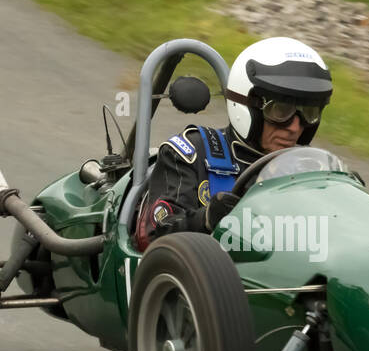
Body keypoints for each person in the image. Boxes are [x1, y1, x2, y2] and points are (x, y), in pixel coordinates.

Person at [134, 36, 333, 250]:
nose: (295, 127)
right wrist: (206, 219)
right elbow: (157, 235)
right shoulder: (192, 153)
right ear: (249, 108)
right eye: (280, 111)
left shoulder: (315, 171)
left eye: (309, 113)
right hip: (208, 278)